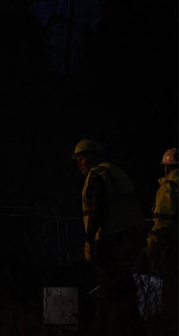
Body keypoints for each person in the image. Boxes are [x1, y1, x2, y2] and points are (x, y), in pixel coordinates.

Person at [72, 139, 145, 336]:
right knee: (123, 293)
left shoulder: (97, 176)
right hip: (129, 240)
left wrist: (89, 239)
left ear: (92, 157)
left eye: (81, 158)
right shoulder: (118, 173)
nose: (79, 163)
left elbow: (97, 209)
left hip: (109, 242)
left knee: (113, 294)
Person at [143, 147, 178, 335]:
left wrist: (151, 246)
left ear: (166, 168)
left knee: (171, 299)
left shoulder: (169, 188)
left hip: (173, 251)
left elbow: (163, 223)